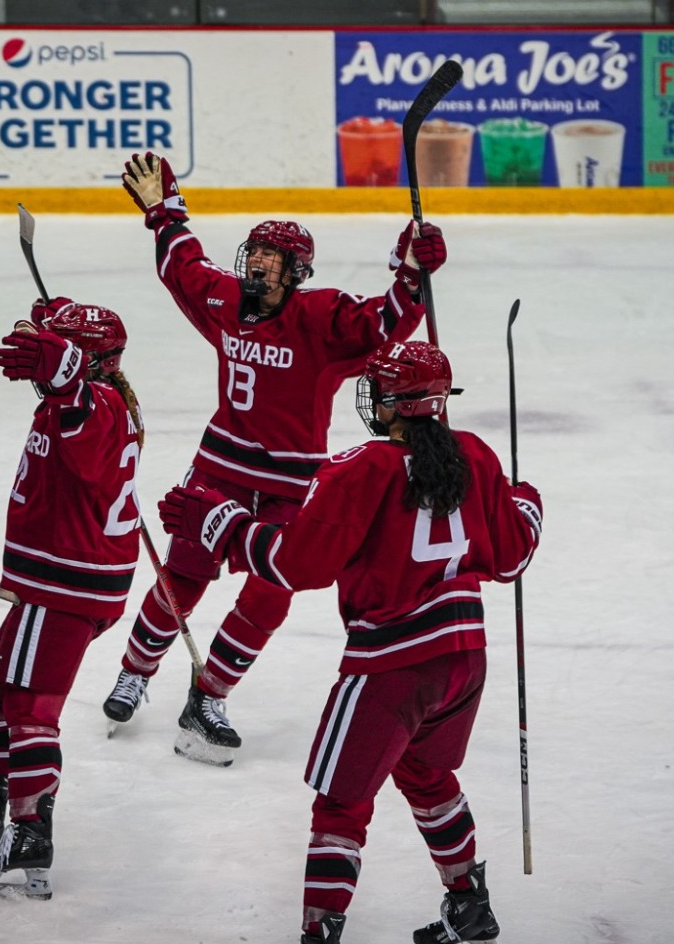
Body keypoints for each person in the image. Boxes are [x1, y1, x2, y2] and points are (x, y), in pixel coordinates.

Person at [155, 339, 542, 944]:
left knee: (341, 805)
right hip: (465, 660)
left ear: (390, 405)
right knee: (426, 776)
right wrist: (527, 505)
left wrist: (222, 524)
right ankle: (468, 903)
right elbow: (512, 557)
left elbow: (296, 564)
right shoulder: (477, 457)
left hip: (391, 666)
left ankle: (320, 933)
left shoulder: (361, 466)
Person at [100, 152, 446, 766]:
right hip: (219, 470)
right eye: (253, 250)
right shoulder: (223, 299)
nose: (256, 260)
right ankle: (136, 670)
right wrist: (162, 211)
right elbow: (181, 266)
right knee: (184, 574)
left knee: (271, 591)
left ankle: (209, 695)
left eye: (271, 254)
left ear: (296, 270)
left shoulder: (323, 318)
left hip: (290, 481)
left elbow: (385, 323)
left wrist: (411, 275)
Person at [0, 299, 143, 898]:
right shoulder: (89, 396)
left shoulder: (95, 404)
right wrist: (59, 336)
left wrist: (61, 364)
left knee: (29, 705)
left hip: (67, 582)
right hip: (57, 580)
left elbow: (78, 399)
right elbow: (69, 387)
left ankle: (31, 829)